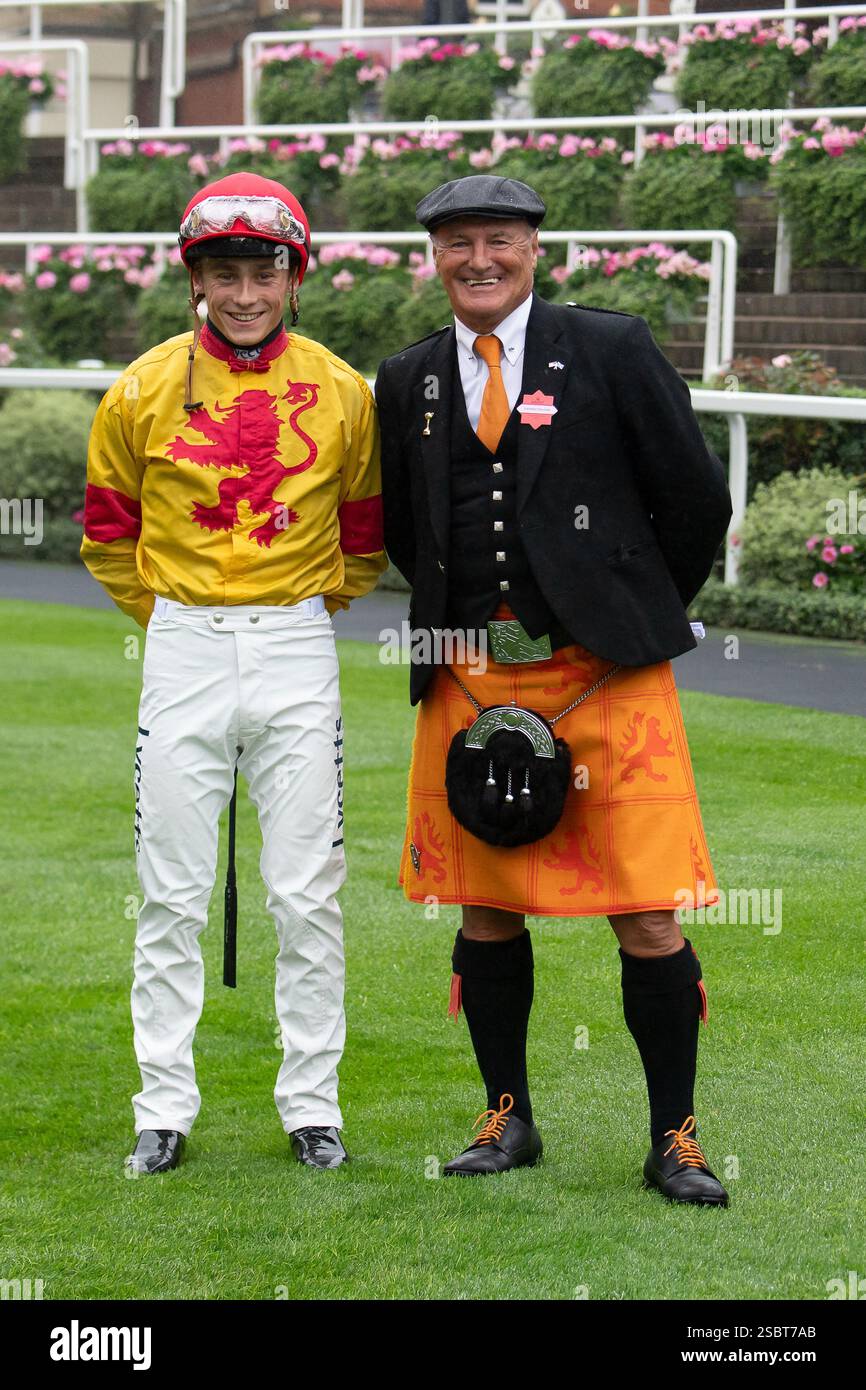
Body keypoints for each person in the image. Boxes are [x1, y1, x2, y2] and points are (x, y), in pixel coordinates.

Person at [375, 174, 733, 1204]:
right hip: (471, 673)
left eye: (496, 240)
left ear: (534, 249)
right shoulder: (408, 378)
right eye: (455, 244)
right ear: (433, 258)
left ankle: (674, 1137)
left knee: (646, 912)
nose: (476, 260)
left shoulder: (608, 348)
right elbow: (410, 527)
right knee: (486, 904)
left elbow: (693, 497)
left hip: (605, 674)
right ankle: (506, 1115)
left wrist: (631, 611)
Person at [81, 171, 386, 1173]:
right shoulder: (139, 388)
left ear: (295, 277)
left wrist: (292, 613)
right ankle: (161, 1107)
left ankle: (313, 1105)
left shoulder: (342, 391)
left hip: (298, 643)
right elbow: (107, 535)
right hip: (182, 645)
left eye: (263, 270)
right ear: (196, 278)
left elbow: (363, 540)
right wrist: (180, 615)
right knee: (169, 890)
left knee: (307, 891)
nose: (245, 290)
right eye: (224, 271)